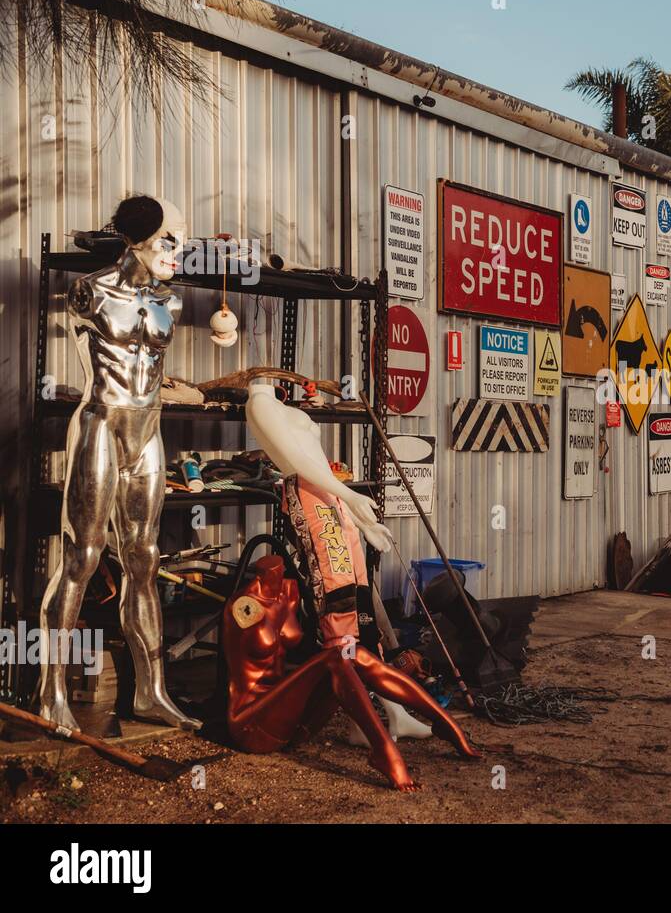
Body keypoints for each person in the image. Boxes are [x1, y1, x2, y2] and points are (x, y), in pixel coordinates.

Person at [38, 196, 199, 731]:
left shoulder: (170, 301)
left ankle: (152, 692)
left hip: (148, 430)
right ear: (140, 237)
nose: (179, 251)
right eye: (170, 240)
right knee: (82, 557)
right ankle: (52, 693)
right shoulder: (89, 291)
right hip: (102, 425)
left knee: (145, 560)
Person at [223, 553, 479, 790]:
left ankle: (445, 723)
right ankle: (384, 751)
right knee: (336, 657)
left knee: (354, 652)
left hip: (293, 725)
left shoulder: (288, 593)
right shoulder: (243, 605)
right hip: (253, 725)